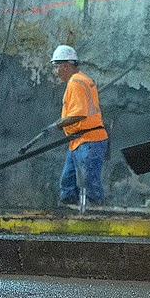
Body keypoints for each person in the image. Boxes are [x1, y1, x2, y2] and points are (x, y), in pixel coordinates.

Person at [46, 44, 107, 210]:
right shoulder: (80, 80)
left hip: (88, 140)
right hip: (79, 141)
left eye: (56, 66)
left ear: (65, 65)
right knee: (68, 181)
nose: (56, 71)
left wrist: (58, 124)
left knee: (89, 182)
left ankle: (97, 215)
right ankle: (66, 212)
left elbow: (80, 113)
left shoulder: (76, 82)